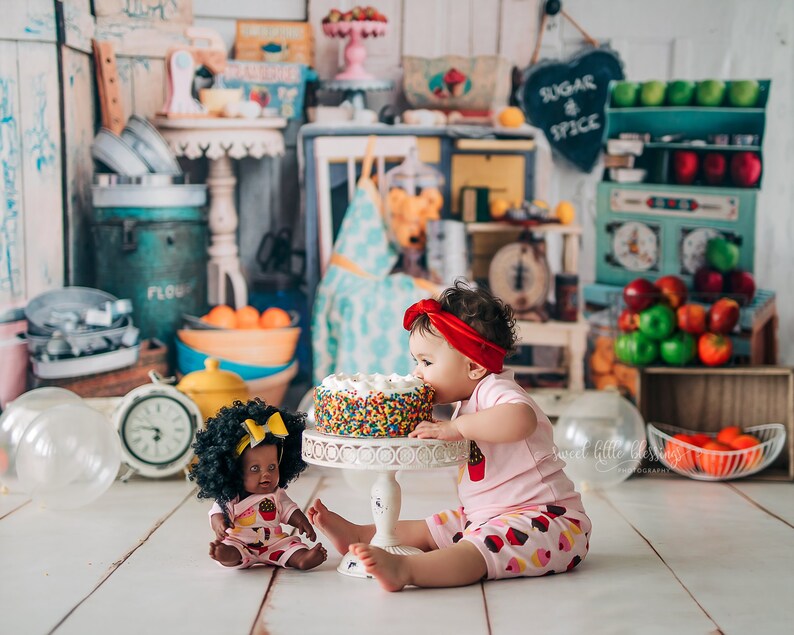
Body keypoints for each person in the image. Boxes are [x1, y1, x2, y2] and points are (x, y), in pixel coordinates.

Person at [308, 281, 591, 590]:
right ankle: (366, 534)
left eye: (427, 362)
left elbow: (520, 419)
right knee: (436, 527)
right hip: (487, 516)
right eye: (417, 361)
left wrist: (455, 429)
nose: (417, 372)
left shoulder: (497, 390)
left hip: (549, 521)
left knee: (479, 548)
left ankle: (408, 569)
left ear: (473, 366)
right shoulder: (469, 402)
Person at [191, 398, 326, 570]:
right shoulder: (232, 496)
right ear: (234, 470)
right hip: (241, 543)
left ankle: (301, 559)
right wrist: (220, 524)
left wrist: (301, 521)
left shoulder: (277, 494)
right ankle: (226, 555)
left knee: (291, 547)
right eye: (255, 468)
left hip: (274, 544)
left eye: (272, 466)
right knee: (233, 549)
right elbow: (217, 513)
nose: (266, 474)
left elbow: (289, 510)